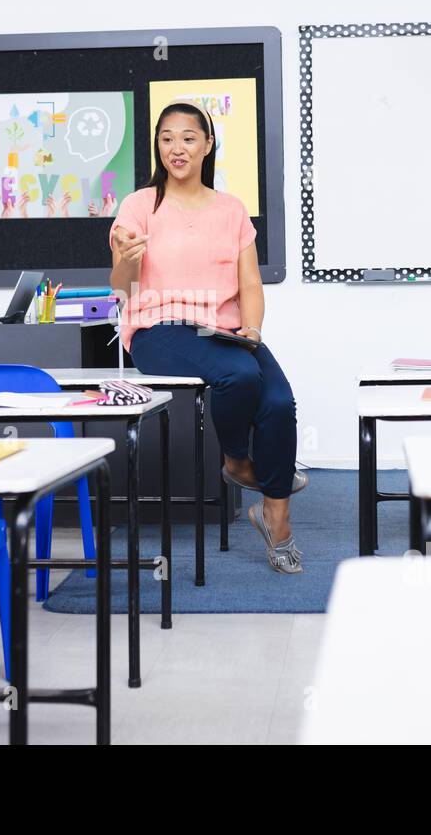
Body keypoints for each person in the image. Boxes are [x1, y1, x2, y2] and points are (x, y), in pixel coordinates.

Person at [110, 101, 306, 574]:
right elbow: (121, 288)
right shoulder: (139, 205)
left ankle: (274, 515)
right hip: (158, 329)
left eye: (188, 137)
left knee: (279, 402)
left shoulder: (231, 210)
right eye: (167, 138)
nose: (176, 148)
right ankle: (237, 463)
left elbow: (250, 285)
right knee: (239, 376)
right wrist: (128, 258)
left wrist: (253, 330)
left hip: (225, 331)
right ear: (158, 146)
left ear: (208, 145)